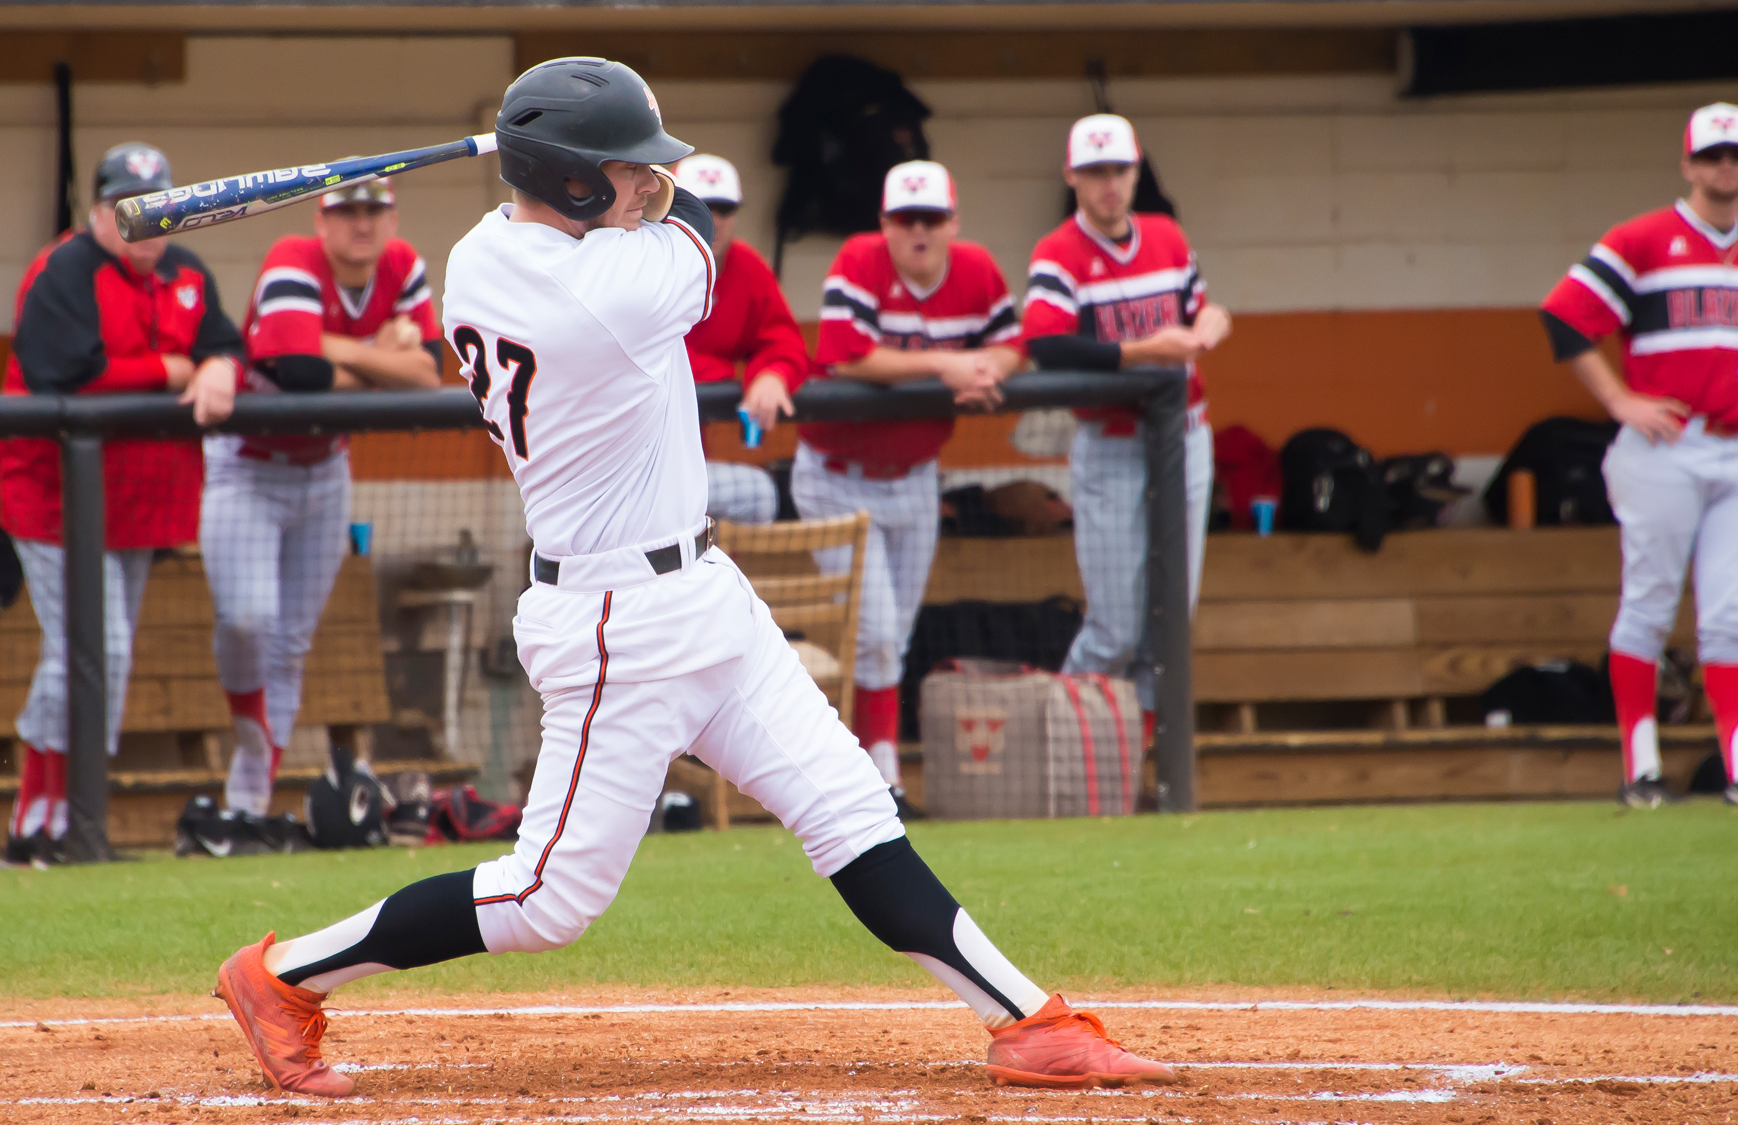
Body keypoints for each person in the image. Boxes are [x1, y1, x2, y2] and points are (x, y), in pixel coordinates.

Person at [210, 57, 1174, 1098]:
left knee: (852, 810)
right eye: (630, 172)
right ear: (573, 182)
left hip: (702, 594)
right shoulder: (610, 290)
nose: (648, 187)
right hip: (617, 621)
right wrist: (643, 190)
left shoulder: (481, 253)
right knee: (546, 903)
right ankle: (280, 976)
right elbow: (701, 239)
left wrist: (602, 162)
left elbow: (627, 221)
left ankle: (1026, 1022)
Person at [0, 143, 243, 863]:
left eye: (161, 208)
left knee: (106, 652)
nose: (148, 223)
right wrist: (171, 369)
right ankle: (43, 816)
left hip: (139, 498)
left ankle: (63, 815)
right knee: (91, 649)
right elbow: (61, 375)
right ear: (99, 213)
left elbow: (224, 341)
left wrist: (220, 367)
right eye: (129, 209)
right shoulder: (64, 269)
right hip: (53, 493)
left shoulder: (189, 271)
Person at [208, 177, 444, 816]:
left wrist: (334, 347)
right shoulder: (294, 255)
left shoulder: (403, 265)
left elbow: (431, 373)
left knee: (290, 642)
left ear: (392, 218)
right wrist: (376, 354)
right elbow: (298, 374)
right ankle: (249, 751)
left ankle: (250, 796)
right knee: (246, 619)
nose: (362, 224)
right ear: (322, 219)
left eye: (375, 210)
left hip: (326, 467)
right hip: (249, 464)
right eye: (347, 211)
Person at [792, 160, 1023, 802]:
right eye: (904, 219)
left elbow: (1012, 341)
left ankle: (872, 771)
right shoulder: (862, 259)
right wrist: (950, 365)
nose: (917, 232)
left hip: (916, 474)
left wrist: (982, 369)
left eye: (931, 219)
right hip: (839, 474)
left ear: (953, 222)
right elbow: (846, 352)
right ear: (884, 223)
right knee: (877, 631)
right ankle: (880, 775)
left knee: (894, 635)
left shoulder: (975, 268)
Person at [1540, 102, 1738, 809]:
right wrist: (1618, 399)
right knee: (1650, 603)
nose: (1725, 168)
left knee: (1729, 614)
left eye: (1735, 155)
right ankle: (1641, 764)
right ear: (1687, 163)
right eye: (1713, 155)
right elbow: (1563, 312)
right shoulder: (1645, 237)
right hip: (1665, 443)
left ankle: (1736, 763)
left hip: (1733, 449)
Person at [1022, 114, 1229, 731]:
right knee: (1114, 624)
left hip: (1185, 436)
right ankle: (1060, 739)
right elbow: (1045, 343)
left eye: (1119, 170)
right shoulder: (1058, 252)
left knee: (1171, 615)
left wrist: (1212, 324)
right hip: (1111, 444)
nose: (1109, 185)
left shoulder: (1166, 236)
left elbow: (1200, 310)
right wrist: (1144, 352)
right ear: (1072, 177)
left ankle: (1136, 760)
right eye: (1095, 172)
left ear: (1136, 173)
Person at [675, 153, 806, 525]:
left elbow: (782, 339)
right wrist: (722, 374)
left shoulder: (746, 267)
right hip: (623, 463)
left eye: (724, 209)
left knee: (758, 497)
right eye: (700, 207)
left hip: (688, 460)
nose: (713, 220)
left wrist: (771, 374)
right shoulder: (642, 255)